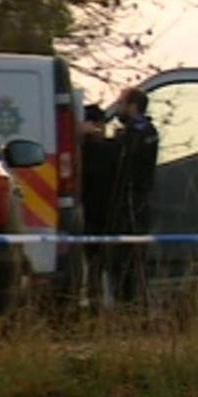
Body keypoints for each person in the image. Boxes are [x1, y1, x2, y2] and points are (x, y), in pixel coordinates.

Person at [107, 87, 159, 308]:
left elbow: (130, 167)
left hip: (134, 204)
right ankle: (124, 305)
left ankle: (134, 309)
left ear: (133, 106)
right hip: (125, 203)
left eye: (121, 102)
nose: (118, 107)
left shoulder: (141, 133)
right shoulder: (131, 132)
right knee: (119, 261)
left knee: (131, 260)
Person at [81, 104, 118, 308]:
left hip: (103, 214)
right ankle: (96, 302)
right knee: (94, 263)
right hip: (92, 214)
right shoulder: (85, 148)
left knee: (101, 263)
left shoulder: (107, 148)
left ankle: (101, 303)